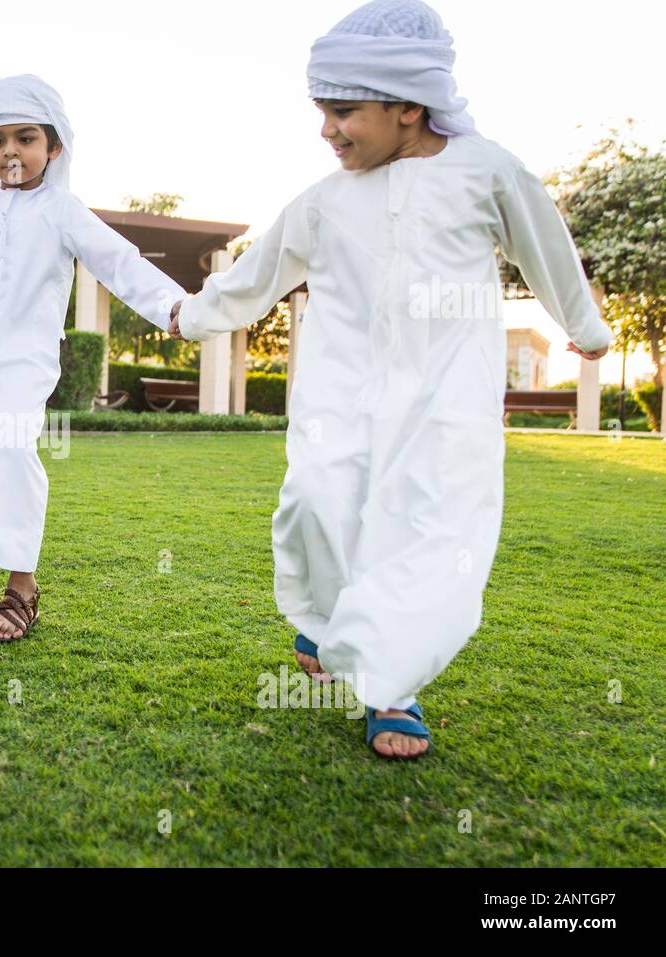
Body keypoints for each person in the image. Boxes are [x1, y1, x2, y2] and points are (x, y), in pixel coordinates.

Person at [169, 0, 612, 758]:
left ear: (410, 105)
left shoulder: (486, 170)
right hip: (337, 394)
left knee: (424, 531)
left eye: (344, 111)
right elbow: (258, 273)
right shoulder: (323, 201)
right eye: (321, 111)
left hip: (445, 398)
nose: (327, 130)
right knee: (319, 501)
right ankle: (326, 615)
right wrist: (196, 315)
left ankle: (389, 685)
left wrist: (584, 325)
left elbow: (547, 244)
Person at [0, 74, 188, 642]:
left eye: (25, 138)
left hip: (20, 366)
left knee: (7, 456)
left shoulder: (64, 211)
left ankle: (22, 589)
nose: (10, 152)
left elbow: (120, 262)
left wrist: (171, 305)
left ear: (55, 146)